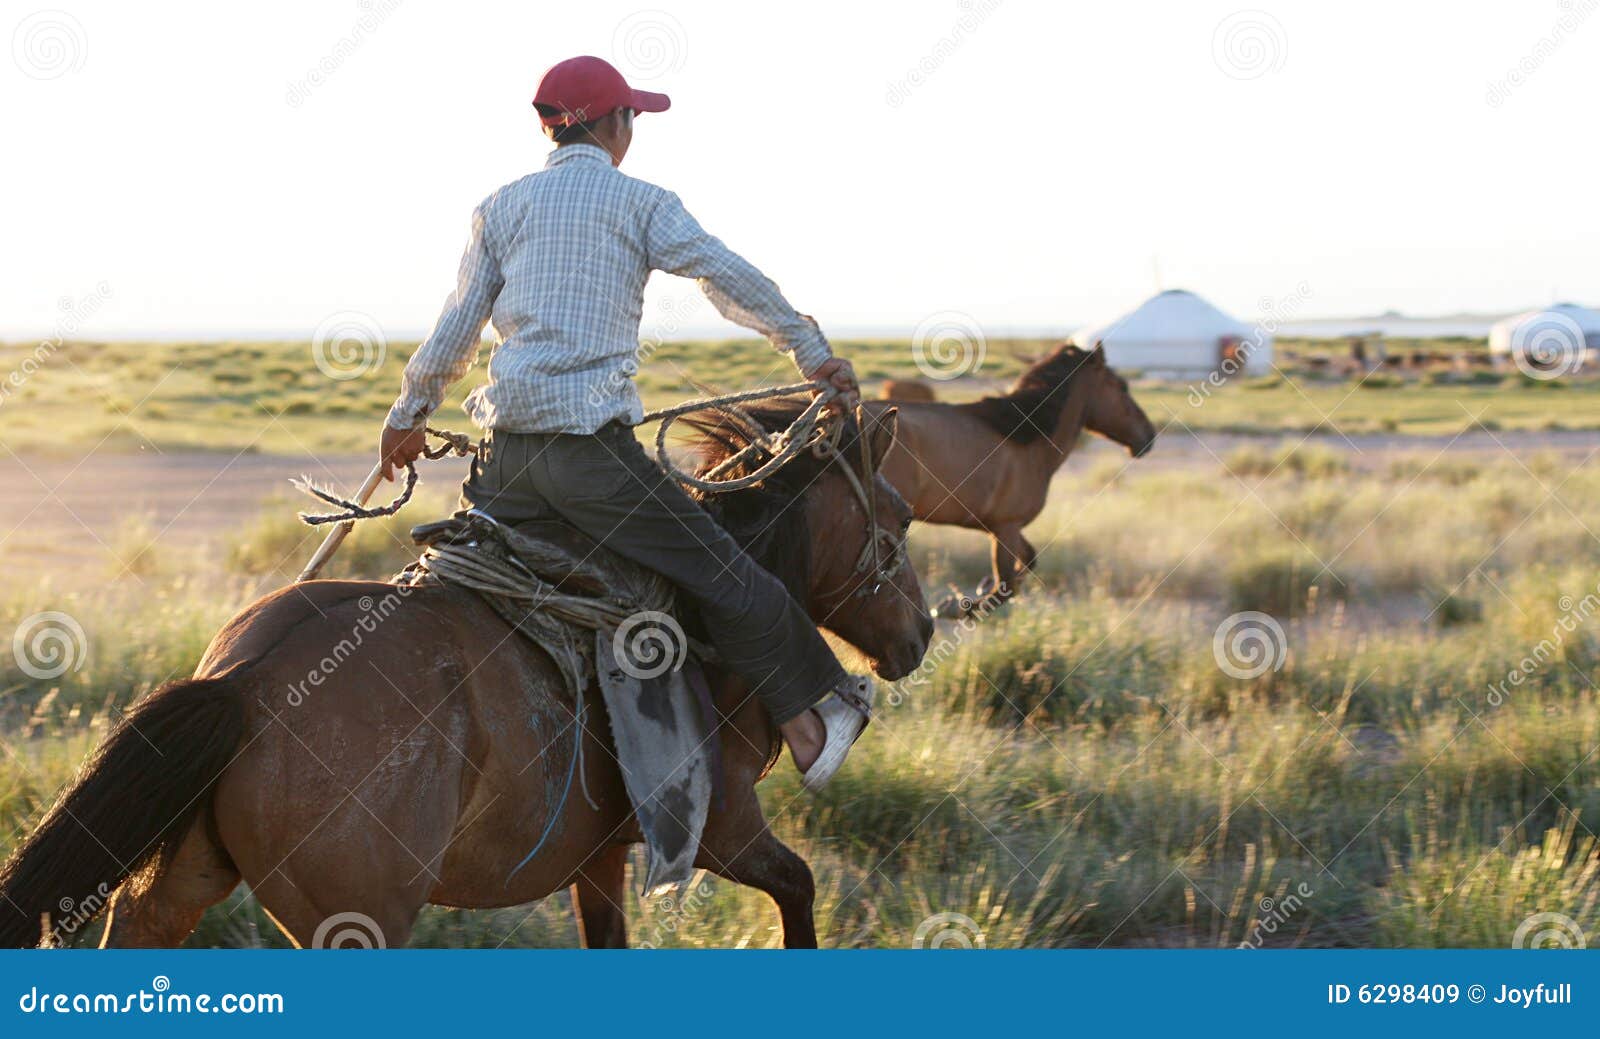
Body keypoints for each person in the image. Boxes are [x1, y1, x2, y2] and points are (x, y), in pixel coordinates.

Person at [379, 55, 870, 791]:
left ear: (552, 130)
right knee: (731, 577)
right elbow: (722, 275)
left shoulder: (500, 207)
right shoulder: (641, 202)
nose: (630, 129)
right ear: (615, 124)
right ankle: (810, 726)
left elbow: (457, 326)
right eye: (631, 116)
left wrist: (408, 413)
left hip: (506, 462)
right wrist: (809, 351)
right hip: (593, 463)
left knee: (451, 575)